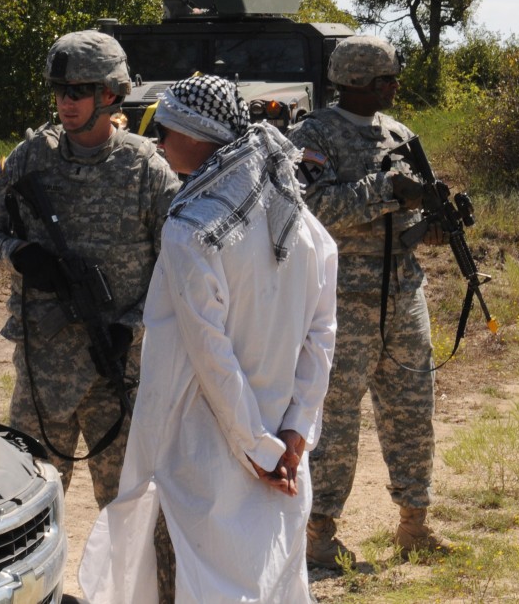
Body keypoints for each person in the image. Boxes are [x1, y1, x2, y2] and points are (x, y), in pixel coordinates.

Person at [79, 74, 338, 603]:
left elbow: (210, 357)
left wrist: (259, 450)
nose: (157, 139)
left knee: (210, 583)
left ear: (197, 135)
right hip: (282, 453)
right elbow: (322, 338)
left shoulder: (192, 228)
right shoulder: (303, 225)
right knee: (270, 579)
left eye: (164, 125)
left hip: (206, 449)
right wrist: (295, 434)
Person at [0, 30, 181, 509]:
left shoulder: (147, 168)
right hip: (42, 373)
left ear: (110, 94)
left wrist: (133, 328)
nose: (65, 102)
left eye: (78, 91)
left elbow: (179, 271)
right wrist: (20, 255)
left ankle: (126, 589)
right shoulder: (30, 160)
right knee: (26, 502)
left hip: (118, 371)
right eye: (59, 91)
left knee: (128, 505)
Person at [287, 35, 452, 568]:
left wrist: (437, 222)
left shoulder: (401, 136)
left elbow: (405, 226)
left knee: (412, 411)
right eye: (386, 79)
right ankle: (320, 534)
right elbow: (312, 206)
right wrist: (386, 190)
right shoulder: (313, 136)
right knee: (333, 422)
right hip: (341, 303)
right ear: (359, 82)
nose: (394, 86)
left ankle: (414, 523)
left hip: (403, 296)